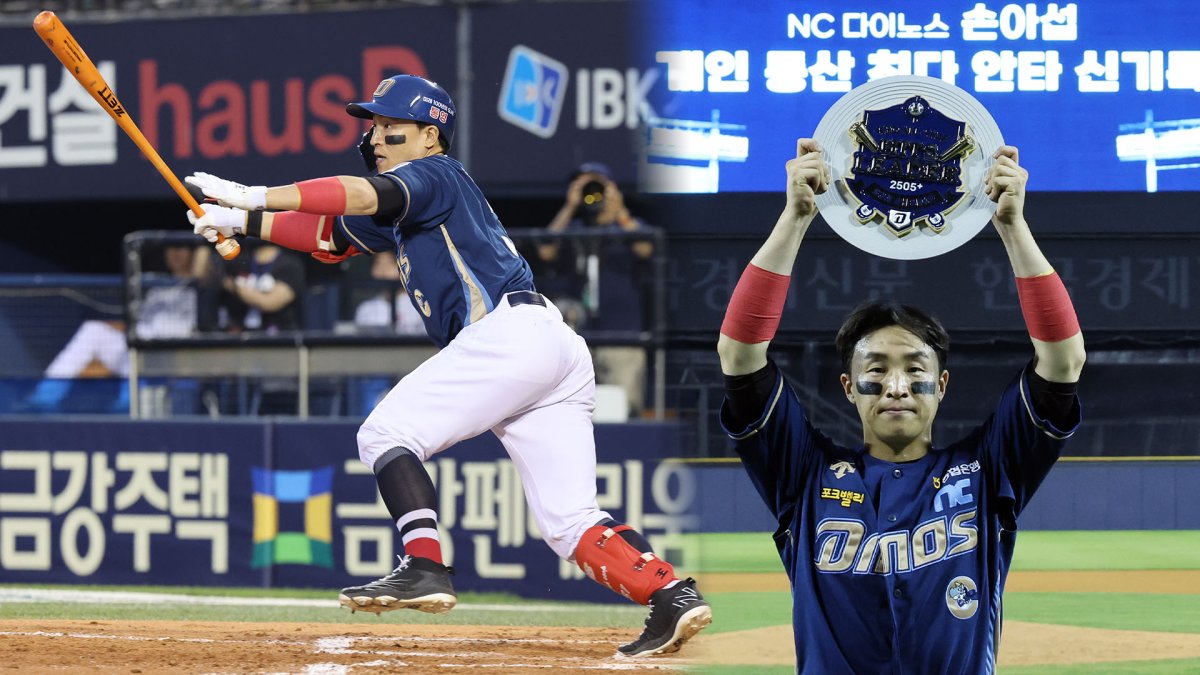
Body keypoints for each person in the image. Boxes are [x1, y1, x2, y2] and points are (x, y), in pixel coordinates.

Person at [185, 74, 710, 657]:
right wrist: (237, 223)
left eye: (391, 127)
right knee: (569, 520)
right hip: (550, 348)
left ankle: (425, 564)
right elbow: (330, 238)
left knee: (385, 433)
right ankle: (671, 596)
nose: (377, 137)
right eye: (374, 126)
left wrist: (254, 195)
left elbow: (358, 195)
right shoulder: (412, 201)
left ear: (430, 135)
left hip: (510, 337)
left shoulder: (434, 174)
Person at [716, 140, 1085, 672]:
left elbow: (1064, 361)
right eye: (876, 371)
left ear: (942, 386)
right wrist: (796, 217)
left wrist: (1011, 227)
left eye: (916, 370)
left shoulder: (987, 468)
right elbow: (738, 353)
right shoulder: (802, 471)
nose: (896, 386)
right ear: (847, 387)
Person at [537, 162, 654, 417]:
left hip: (622, 334)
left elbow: (646, 248)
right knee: (570, 405)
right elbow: (545, 250)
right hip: (578, 334)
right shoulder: (574, 229)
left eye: (597, 184)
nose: (592, 191)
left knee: (628, 406)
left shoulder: (628, 226)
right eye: (583, 184)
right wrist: (570, 206)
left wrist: (620, 212)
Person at [24, 244, 200, 412]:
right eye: (171, 250)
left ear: (193, 253)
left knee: (143, 344)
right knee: (93, 329)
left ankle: (129, 403)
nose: (175, 255)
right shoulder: (159, 288)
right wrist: (116, 327)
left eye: (180, 249)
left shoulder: (203, 289)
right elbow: (141, 324)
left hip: (171, 356)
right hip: (138, 350)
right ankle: (43, 399)